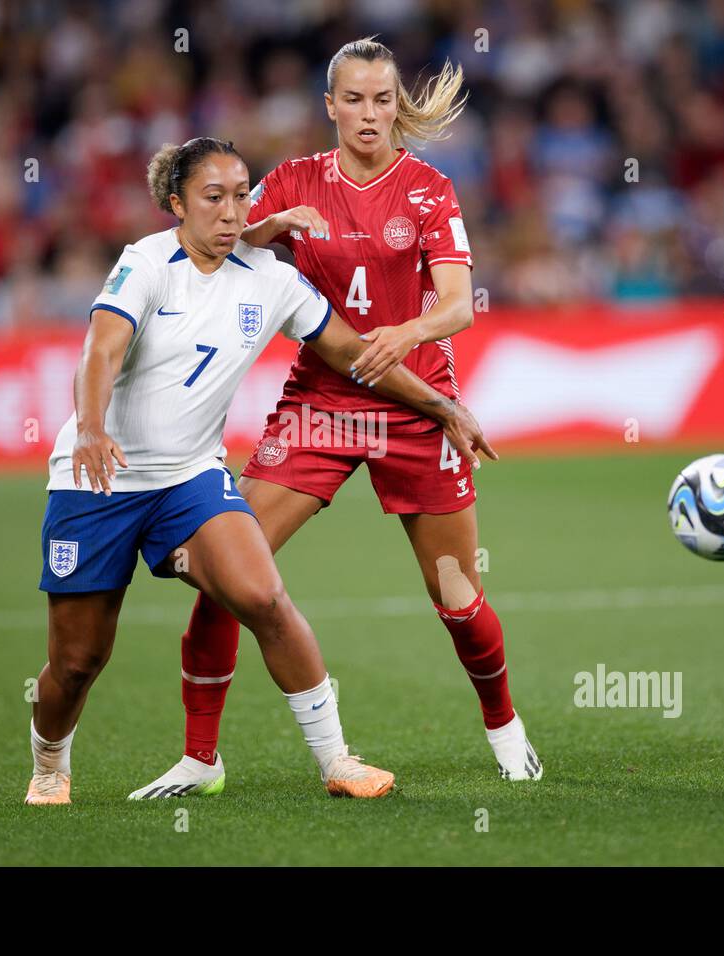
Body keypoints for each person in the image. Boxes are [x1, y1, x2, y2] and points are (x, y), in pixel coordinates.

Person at [26, 135, 496, 805]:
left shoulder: (272, 280)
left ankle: (337, 761)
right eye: (212, 197)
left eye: (240, 195)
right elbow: (100, 352)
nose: (229, 211)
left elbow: (352, 354)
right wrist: (93, 428)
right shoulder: (146, 263)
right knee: (78, 663)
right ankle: (49, 765)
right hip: (98, 480)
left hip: (188, 480)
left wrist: (443, 405)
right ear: (175, 204)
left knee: (263, 596)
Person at [130, 39, 541, 801]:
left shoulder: (426, 191)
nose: (369, 114)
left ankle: (505, 727)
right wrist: (265, 227)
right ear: (331, 106)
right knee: (225, 574)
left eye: (382, 100)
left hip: (418, 409)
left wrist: (409, 333)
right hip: (322, 408)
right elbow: (220, 245)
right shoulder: (291, 182)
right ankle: (200, 758)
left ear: (395, 106)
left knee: (456, 596)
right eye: (353, 99)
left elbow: (456, 303)